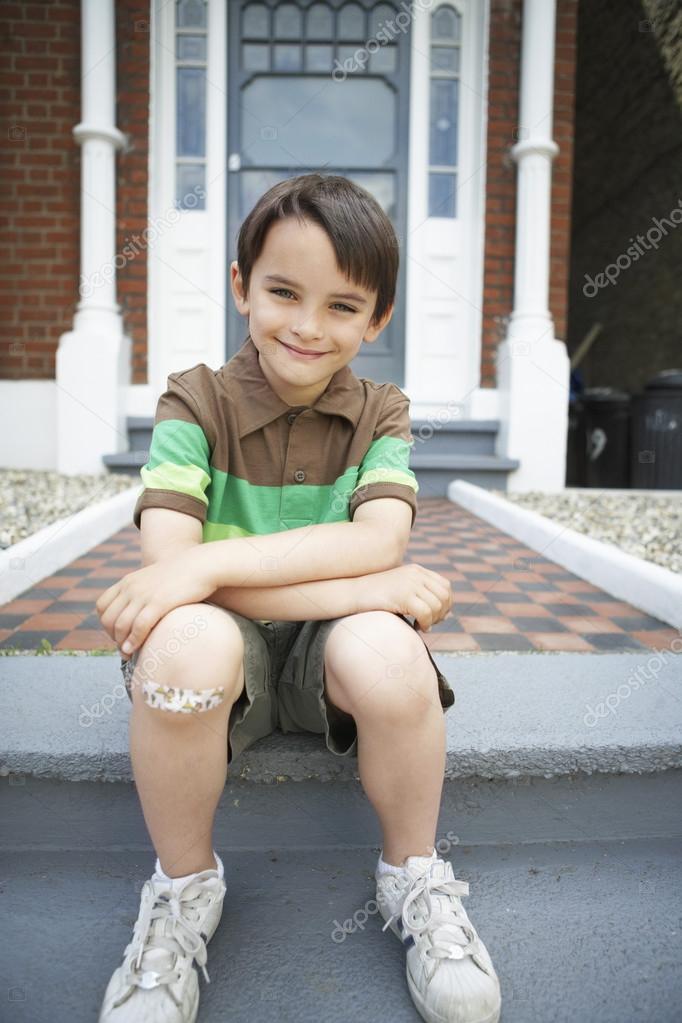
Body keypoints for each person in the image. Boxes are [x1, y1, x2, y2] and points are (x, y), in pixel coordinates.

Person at [95, 173, 501, 1023]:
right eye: (283, 291)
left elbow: (378, 538)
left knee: (392, 657)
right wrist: (364, 583)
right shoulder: (191, 401)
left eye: (343, 306)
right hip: (220, 642)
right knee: (179, 650)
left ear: (377, 319)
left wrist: (210, 565)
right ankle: (183, 889)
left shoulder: (383, 413)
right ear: (241, 285)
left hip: (332, 649)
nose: (309, 328)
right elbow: (172, 570)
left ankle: (412, 875)